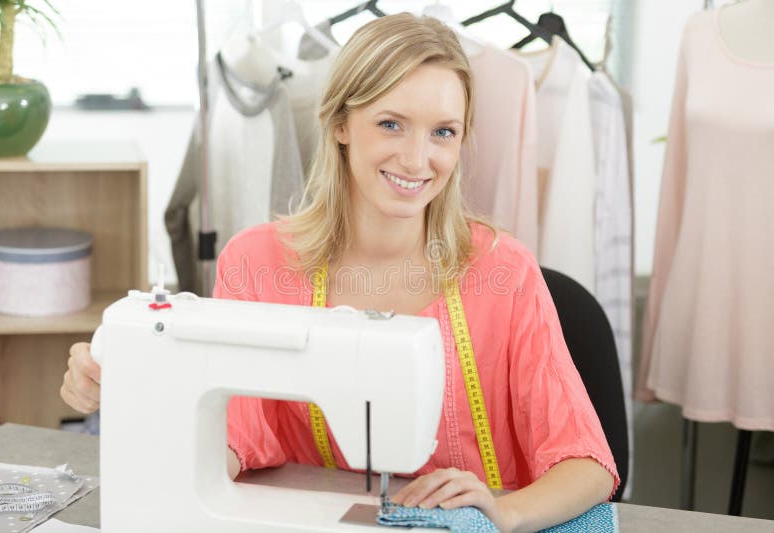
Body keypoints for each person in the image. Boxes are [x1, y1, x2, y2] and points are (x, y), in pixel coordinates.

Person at [61, 13, 618, 532]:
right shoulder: (258, 266)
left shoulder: (501, 270)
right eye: (392, 124)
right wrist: (140, 392)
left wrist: (500, 512)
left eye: (443, 132)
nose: (418, 159)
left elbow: (588, 464)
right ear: (341, 125)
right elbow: (230, 445)